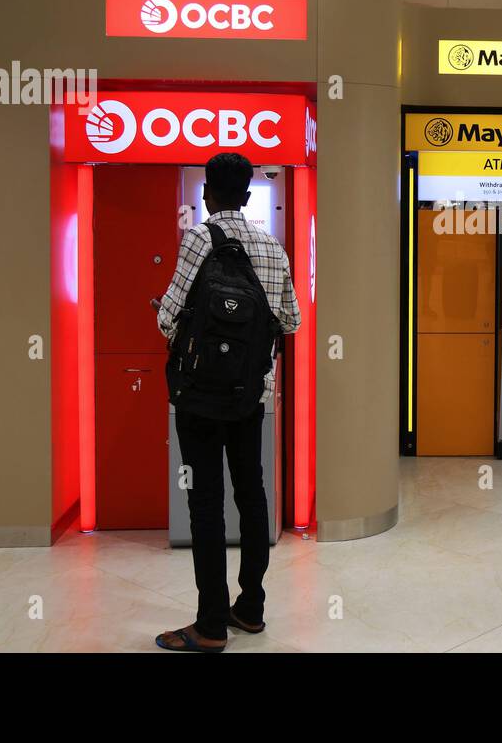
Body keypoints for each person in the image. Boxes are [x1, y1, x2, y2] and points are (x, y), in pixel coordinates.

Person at [151, 152, 301, 652]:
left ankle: (211, 625)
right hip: (250, 394)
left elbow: (169, 316)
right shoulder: (271, 245)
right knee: (252, 495)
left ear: (207, 194)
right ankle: (250, 610)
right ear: (249, 195)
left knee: (205, 504)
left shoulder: (198, 236)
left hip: (199, 398)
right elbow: (292, 321)